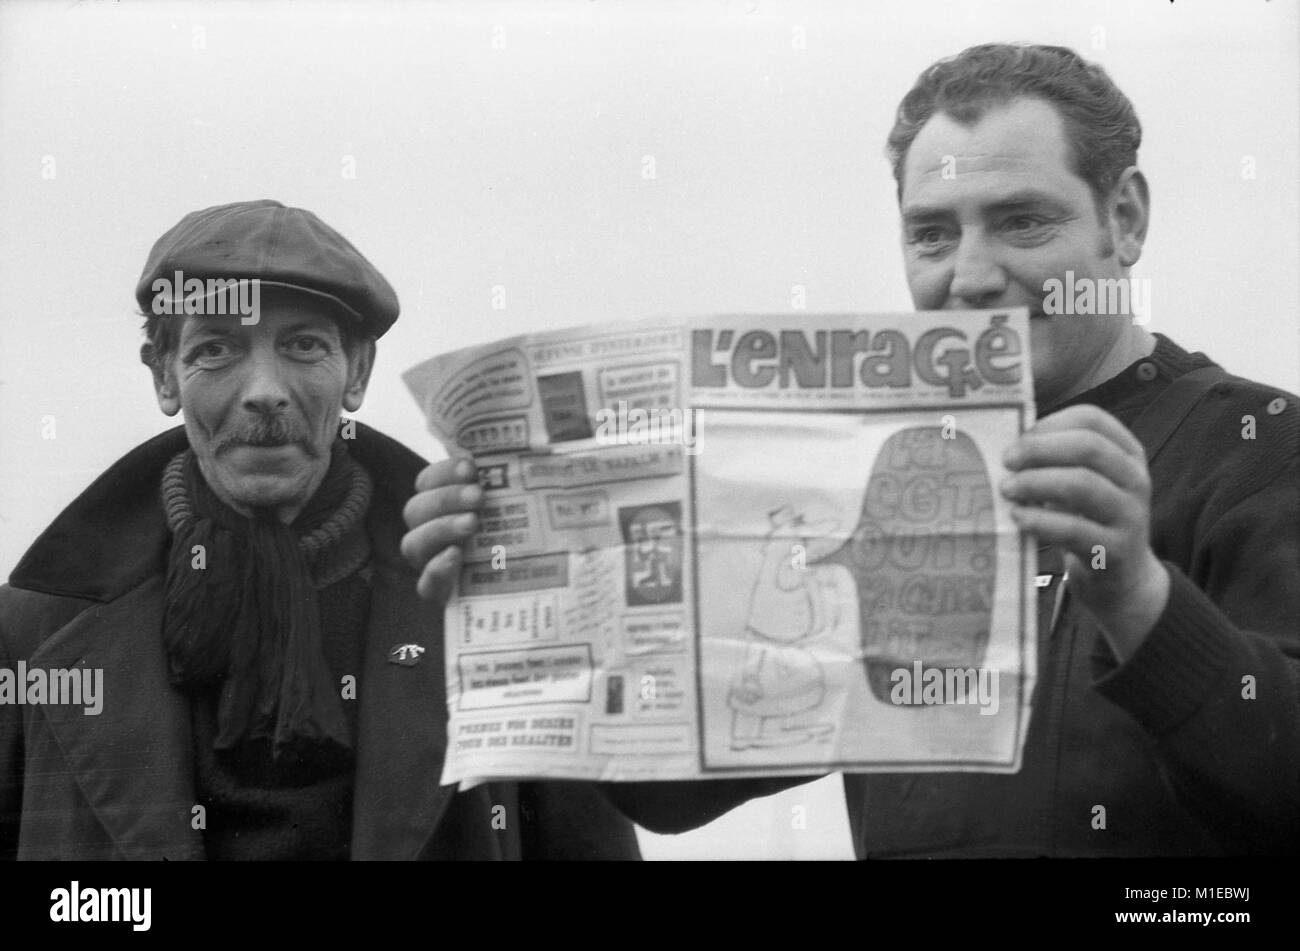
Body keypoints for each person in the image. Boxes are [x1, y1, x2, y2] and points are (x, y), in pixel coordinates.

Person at [402, 43, 1300, 856]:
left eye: (1023, 220)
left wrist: (1137, 592)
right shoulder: (879, 455)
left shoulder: (1262, 449)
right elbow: (671, 794)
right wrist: (530, 596)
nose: (973, 275)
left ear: (1126, 219)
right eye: (933, 232)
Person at [0, 199, 641, 860]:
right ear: (165, 373)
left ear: (357, 370)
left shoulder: (497, 607)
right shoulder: (33, 631)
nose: (265, 390)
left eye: (303, 345)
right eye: (216, 348)